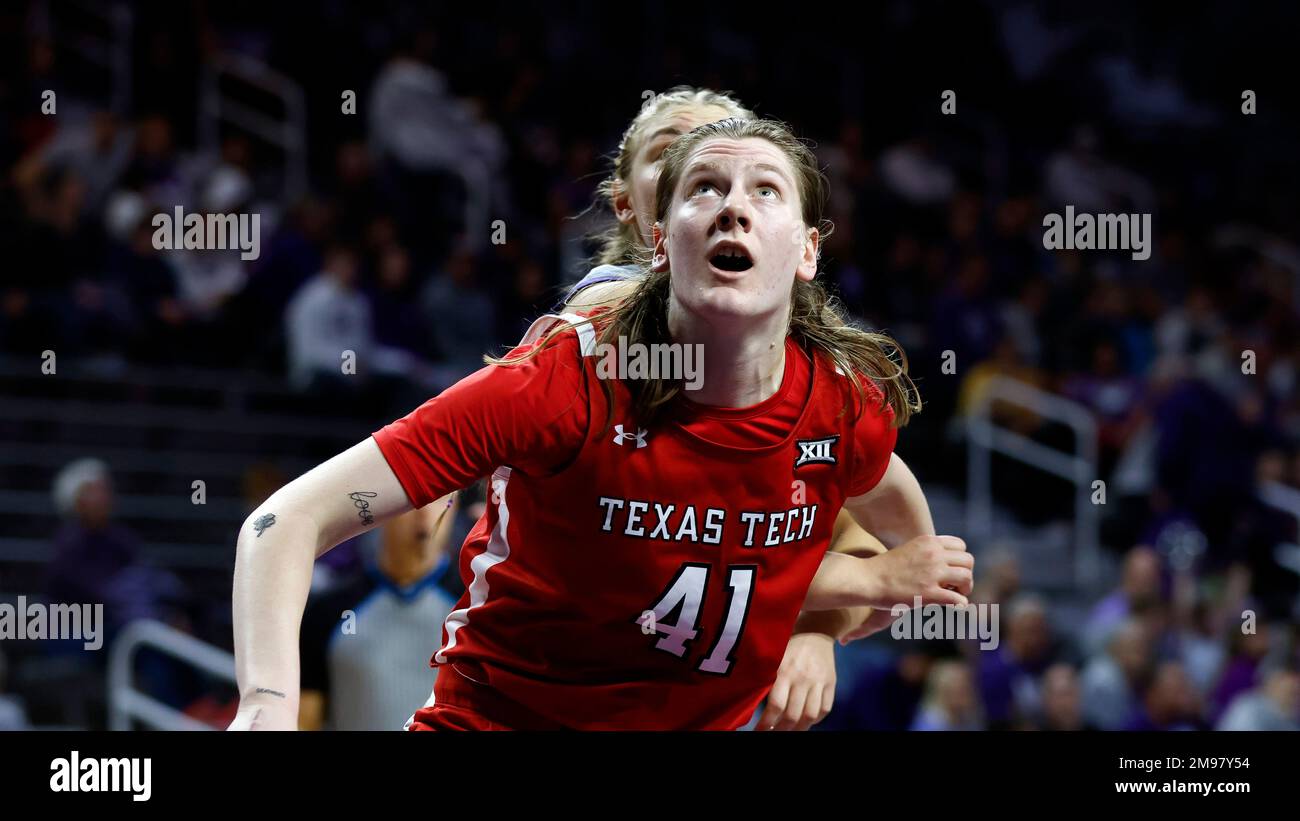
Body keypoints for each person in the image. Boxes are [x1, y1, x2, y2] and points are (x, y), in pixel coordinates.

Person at [230, 117, 972, 730]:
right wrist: (266, 704)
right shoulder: (561, 382)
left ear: (809, 249)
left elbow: (906, 566)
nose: (731, 206)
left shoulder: (842, 408)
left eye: (764, 190)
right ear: (658, 243)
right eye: (704, 187)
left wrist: (818, 631)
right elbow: (285, 519)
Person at [556, 87, 915, 729]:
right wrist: (859, 588)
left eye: (753, 182)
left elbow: (865, 529)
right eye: (676, 158)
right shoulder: (594, 321)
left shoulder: (807, 378)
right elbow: (663, 558)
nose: (726, 199)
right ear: (628, 206)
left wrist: (817, 632)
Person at [298, 495, 460, 730]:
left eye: (440, 501)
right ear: (383, 509)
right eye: (415, 501)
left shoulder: (480, 607)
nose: (426, 514)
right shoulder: (329, 611)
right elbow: (304, 721)